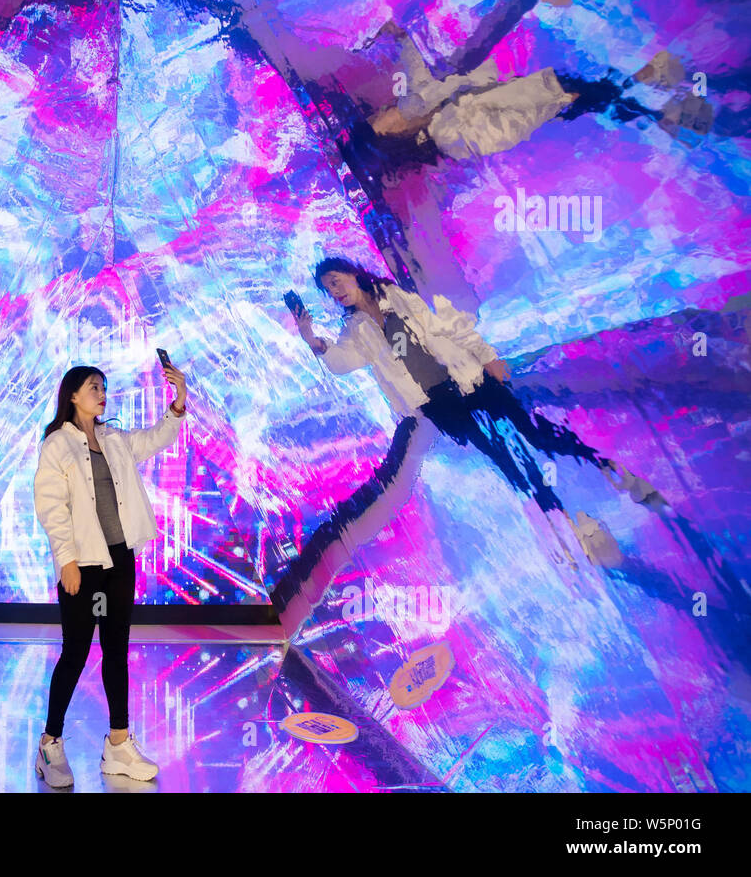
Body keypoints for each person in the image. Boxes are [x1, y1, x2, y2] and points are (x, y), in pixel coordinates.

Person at [275, 257, 671, 620]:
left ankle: (611, 469)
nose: (335, 290)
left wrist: (487, 355)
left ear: (352, 273)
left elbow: (446, 327)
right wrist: (312, 337)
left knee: (535, 432)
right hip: (439, 404)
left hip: (469, 378)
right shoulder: (355, 329)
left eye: (336, 280)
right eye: (328, 288)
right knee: (505, 460)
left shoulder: (396, 295)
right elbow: (343, 363)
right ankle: (566, 526)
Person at [31, 360, 188, 787]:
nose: (101, 392)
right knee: (77, 651)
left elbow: (155, 439)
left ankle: (118, 745)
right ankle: (50, 743)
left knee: (117, 649)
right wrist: (66, 559)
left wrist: (177, 403)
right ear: (73, 395)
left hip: (120, 561)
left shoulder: (113, 438)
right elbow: (50, 504)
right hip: (84, 564)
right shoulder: (57, 445)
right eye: (92, 386)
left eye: (103, 386)